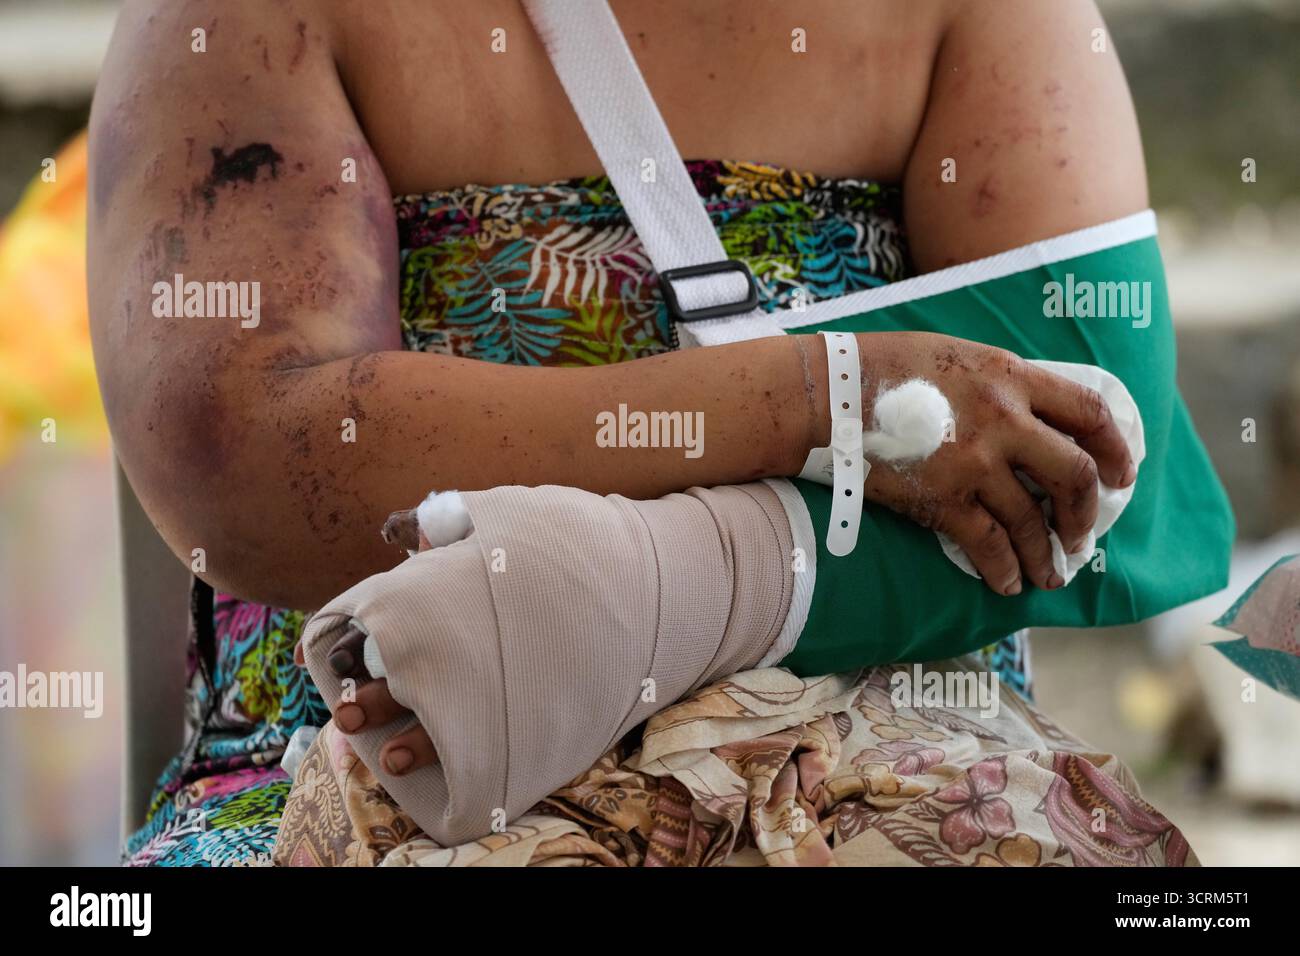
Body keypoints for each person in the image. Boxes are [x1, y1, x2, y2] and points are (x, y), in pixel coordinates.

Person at [90, 0, 1150, 865]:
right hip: (367, 763)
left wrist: (671, 576)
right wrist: (815, 399)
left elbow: (1109, 492)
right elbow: (246, 460)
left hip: (885, 761)